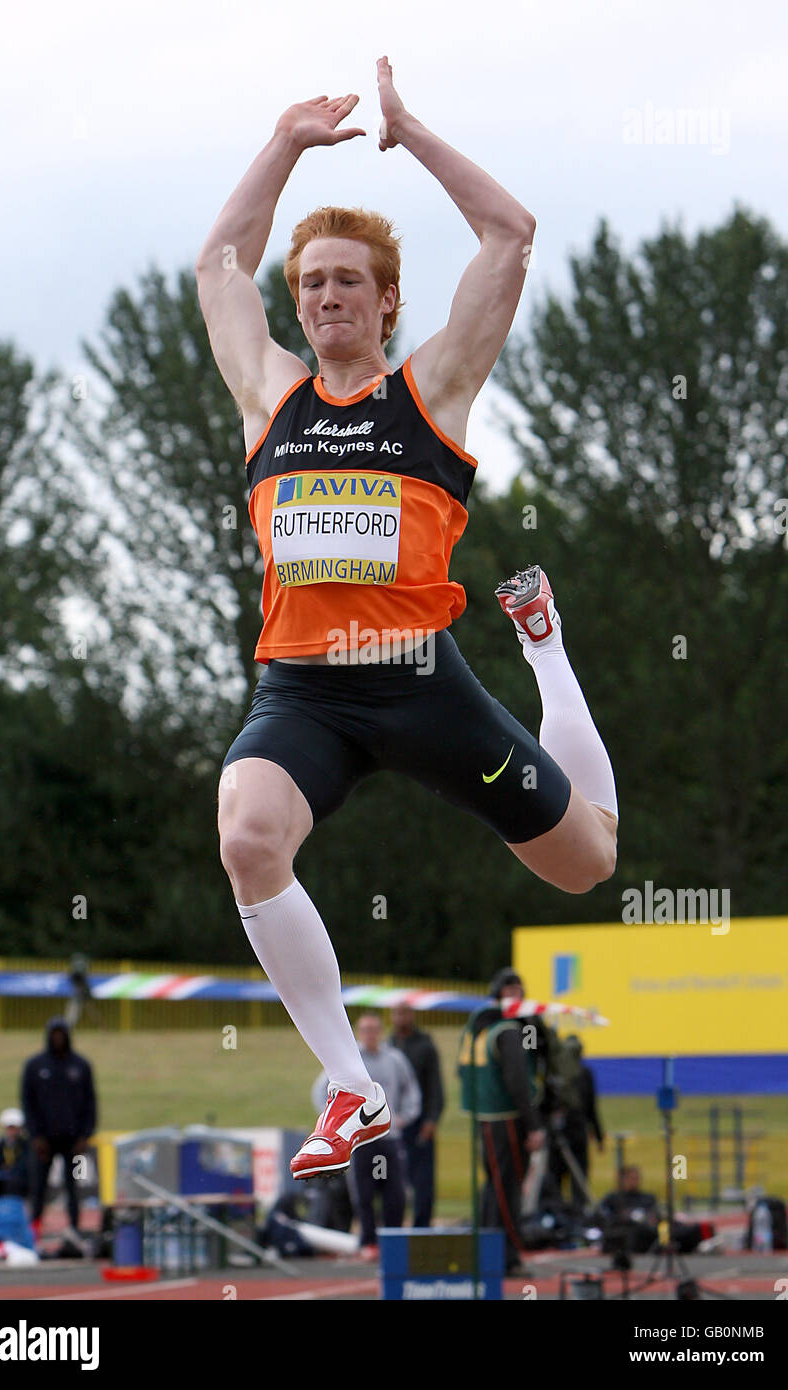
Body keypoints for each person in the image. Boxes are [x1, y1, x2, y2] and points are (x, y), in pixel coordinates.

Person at [198, 55, 618, 1181]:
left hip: (420, 683)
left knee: (586, 862)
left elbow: (510, 234)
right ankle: (350, 1085)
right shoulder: (270, 400)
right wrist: (284, 142)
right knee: (246, 835)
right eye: (311, 283)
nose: (324, 297)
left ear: (387, 300)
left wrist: (411, 133)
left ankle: (547, 653)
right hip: (304, 691)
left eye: (348, 281)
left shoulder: (431, 392)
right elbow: (219, 264)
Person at [312, 1012, 421, 1259]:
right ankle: (369, 1242)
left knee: (395, 1192)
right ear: (359, 1033)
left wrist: (404, 1117)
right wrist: (336, 1124)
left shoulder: (395, 1059)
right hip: (361, 1140)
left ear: (380, 1031)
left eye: (374, 1030)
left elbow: (412, 1090)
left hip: (390, 1138)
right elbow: (320, 1091)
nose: (370, 1035)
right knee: (363, 1193)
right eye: (365, 1030)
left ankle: (393, 1241)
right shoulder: (349, 1063)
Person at [459, 970, 546, 1271]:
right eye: (510, 990)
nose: (516, 996)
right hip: (507, 1118)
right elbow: (518, 1082)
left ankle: (488, 1253)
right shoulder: (507, 1031)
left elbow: (462, 1073)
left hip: (483, 1117)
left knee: (493, 1187)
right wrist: (534, 1125)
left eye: (519, 990)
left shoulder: (476, 1028)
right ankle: (507, 1257)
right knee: (507, 1190)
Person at [21, 1017, 97, 1237]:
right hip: (43, 1141)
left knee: (76, 1185)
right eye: (54, 1034)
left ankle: (75, 1228)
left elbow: (90, 1102)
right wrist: (35, 1135)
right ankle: (34, 1230)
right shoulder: (35, 1065)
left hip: (74, 1141)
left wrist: (85, 1135)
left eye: (61, 1034)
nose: (57, 1039)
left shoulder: (81, 1066)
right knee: (38, 1186)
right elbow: (28, 1102)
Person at [388, 1002, 444, 1227]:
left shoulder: (425, 1046)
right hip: (394, 1123)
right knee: (392, 1177)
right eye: (397, 1013)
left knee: (422, 1178)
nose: (401, 1018)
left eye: (405, 1013)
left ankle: (422, 1226)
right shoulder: (388, 1046)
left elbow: (435, 1086)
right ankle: (393, 1225)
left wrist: (432, 1119)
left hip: (419, 1121)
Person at [547, 1035, 604, 1212]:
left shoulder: (555, 1071)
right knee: (576, 1178)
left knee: (557, 1178)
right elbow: (591, 1107)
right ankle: (575, 1213)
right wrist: (598, 1135)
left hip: (559, 1133)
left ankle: (558, 1212)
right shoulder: (582, 1073)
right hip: (575, 1132)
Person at [0, 1108, 31, 1202]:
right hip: (3, 1178)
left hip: (20, 1180)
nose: (11, 1131)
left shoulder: (26, 1145)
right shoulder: (0, 1144)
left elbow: (25, 1164)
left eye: (14, 1128)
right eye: (9, 1128)